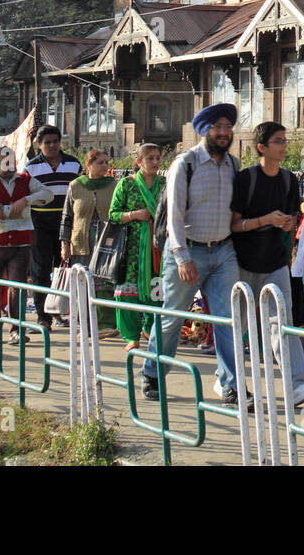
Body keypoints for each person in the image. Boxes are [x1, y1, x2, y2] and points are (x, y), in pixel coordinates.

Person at [140, 104, 242, 405]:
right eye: (217, 127)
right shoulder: (185, 164)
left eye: (227, 127)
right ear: (203, 131)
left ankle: (230, 384)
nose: (224, 132)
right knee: (173, 317)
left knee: (228, 319)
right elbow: (173, 215)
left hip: (223, 252)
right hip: (187, 252)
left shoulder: (233, 165)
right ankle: (153, 373)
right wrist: (182, 257)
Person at [230, 122, 304, 408]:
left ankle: (295, 385)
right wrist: (265, 221)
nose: (284, 145)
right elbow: (233, 224)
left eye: (285, 140)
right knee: (237, 325)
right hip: (244, 263)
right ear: (262, 147)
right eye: (278, 141)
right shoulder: (246, 179)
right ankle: (229, 380)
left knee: (282, 323)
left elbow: (292, 219)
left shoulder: (288, 180)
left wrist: (286, 224)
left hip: (275, 262)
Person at [0, 145, 53, 343]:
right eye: (5, 161)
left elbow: (47, 194)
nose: (10, 166)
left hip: (20, 242)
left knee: (17, 287)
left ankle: (16, 328)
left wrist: (26, 200)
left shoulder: (26, 180)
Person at [108, 143, 165, 352]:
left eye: (158, 157)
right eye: (150, 158)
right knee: (127, 294)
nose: (155, 162)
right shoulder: (126, 184)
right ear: (139, 161)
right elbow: (113, 214)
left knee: (157, 292)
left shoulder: (165, 184)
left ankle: (151, 330)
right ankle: (131, 336)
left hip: (157, 247)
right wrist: (134, 215)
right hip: (131, 250)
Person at [25, 125, 81, 332]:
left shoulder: (73, 164)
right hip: (39, 223)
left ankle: (60, 312)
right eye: (47, 142)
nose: (52, 146)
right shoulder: (31, 167)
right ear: (38, 145)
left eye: (55, 141)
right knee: (40, 270)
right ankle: (43, 317)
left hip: (67, 223)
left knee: (63, 269)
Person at [60, 150, 117, 268]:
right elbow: (67, 217)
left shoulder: (113, 185)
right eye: (100, 163)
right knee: (81, 278)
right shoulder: (75, 185)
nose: (105, 166)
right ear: (89, 165)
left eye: (106, 162)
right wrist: (64, 245)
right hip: (80, 243)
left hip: (106, 242)